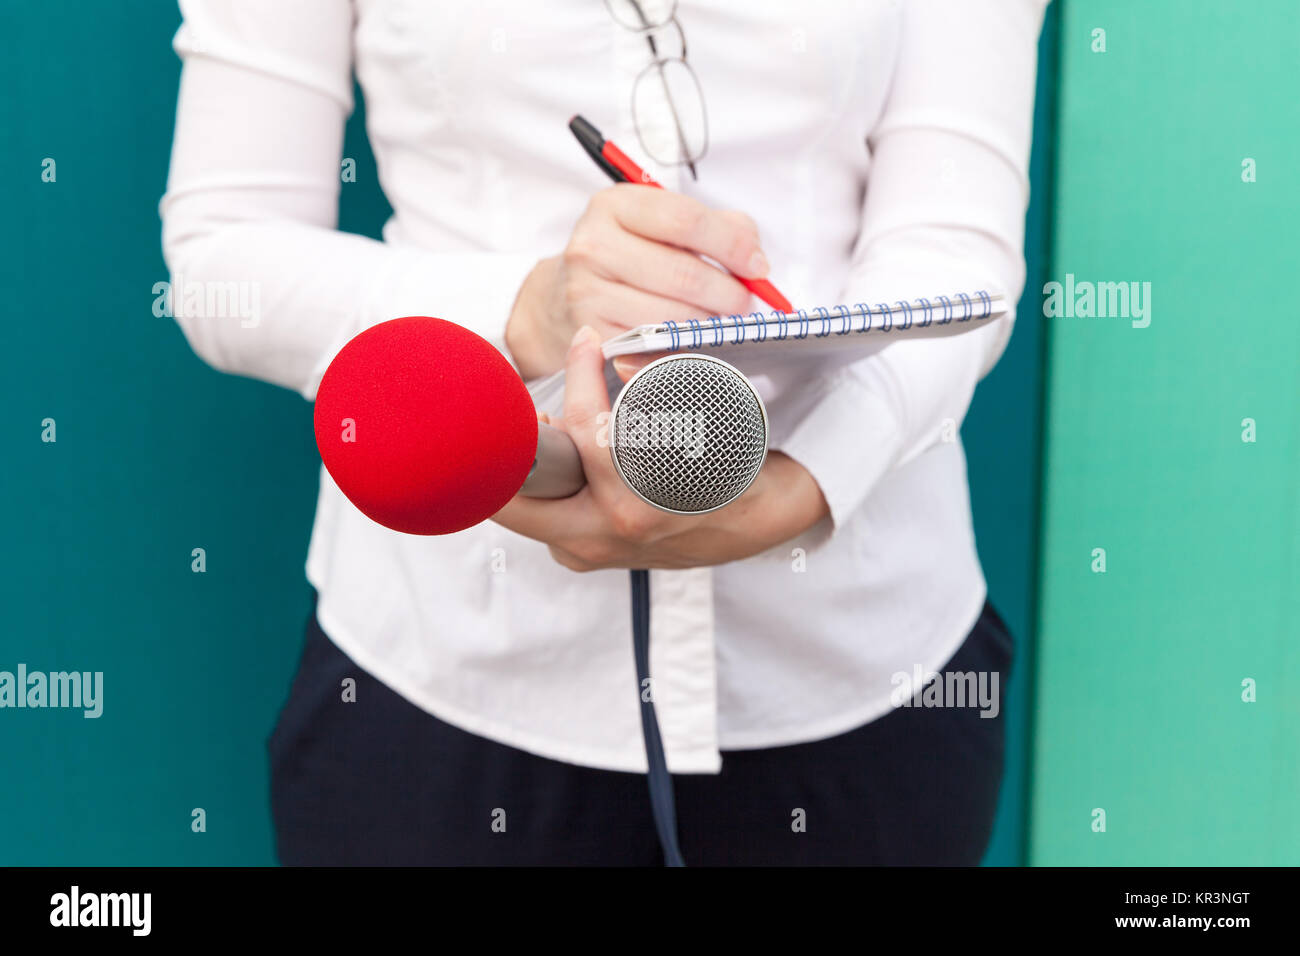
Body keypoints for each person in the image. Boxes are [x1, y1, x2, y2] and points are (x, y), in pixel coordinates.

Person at [161, 0, 1044, 865]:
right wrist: (523, 312)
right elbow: (223, 259)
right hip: (445, 673)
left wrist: (817, 472)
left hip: (859, 669)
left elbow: (956, 259)